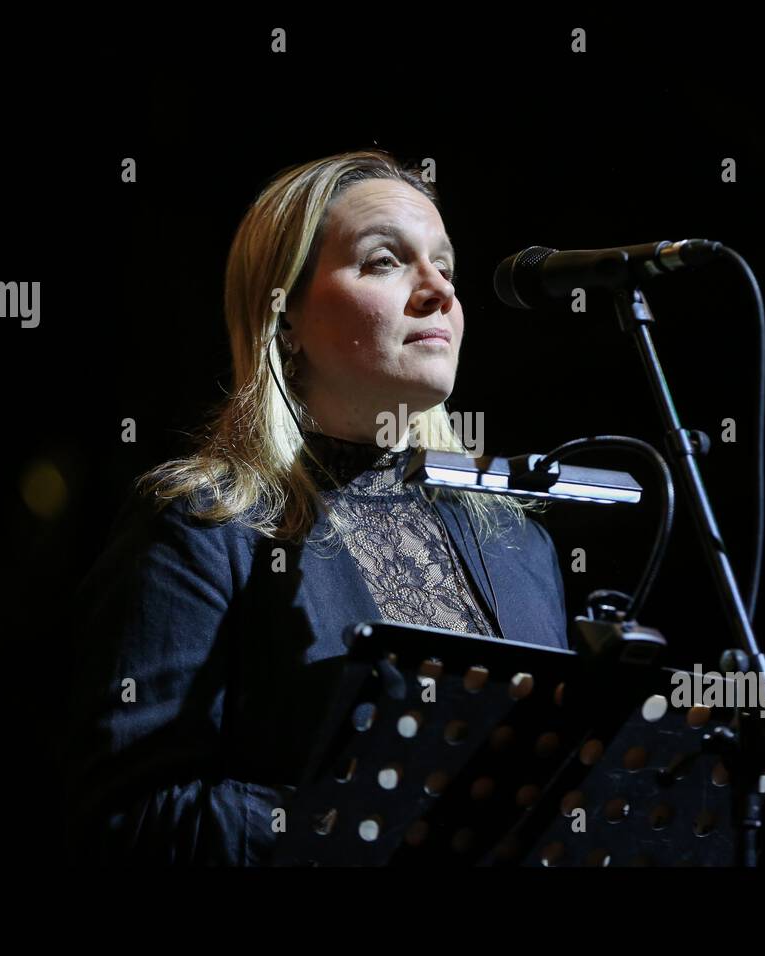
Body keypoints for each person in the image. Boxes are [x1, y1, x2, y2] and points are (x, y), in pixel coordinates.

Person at [61, 149, 571, 865]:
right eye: (385, 261)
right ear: (286, 316)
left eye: (445, 267)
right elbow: (132, 820)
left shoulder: (518, 542)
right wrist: (362, 823)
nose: (438, 293)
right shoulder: (206, 527)